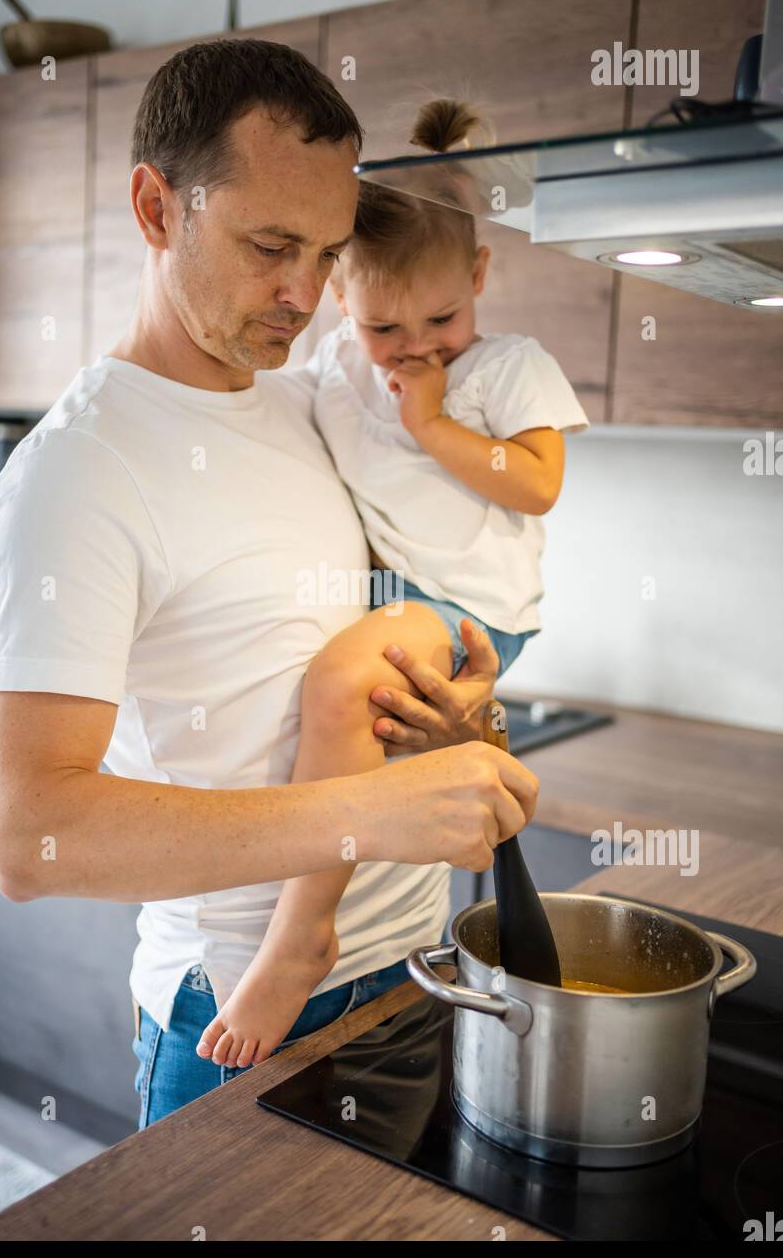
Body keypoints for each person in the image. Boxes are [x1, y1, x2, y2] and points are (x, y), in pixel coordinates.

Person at [0, 41, 538, 1128]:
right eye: (268, 245)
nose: (303, 294)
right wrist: (366, 810)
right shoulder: (80, 469)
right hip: (241, 1017)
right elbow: (28, 835)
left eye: (326, 254)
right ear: (155, 206)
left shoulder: (307, 403)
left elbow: (344, 668)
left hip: (413, 975)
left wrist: (456, 722)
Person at [197, 98, 589, 1068]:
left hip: (473, 613)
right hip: (395, 596)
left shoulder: (503, 368)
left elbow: (536, 483)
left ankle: (301, 937)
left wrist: (430, 425)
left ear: (479, 279)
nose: (415, 346)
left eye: (441, 317)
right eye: (382, 324)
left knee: (341, 682)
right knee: (351, 693)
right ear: (340, 301)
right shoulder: (333, 367)